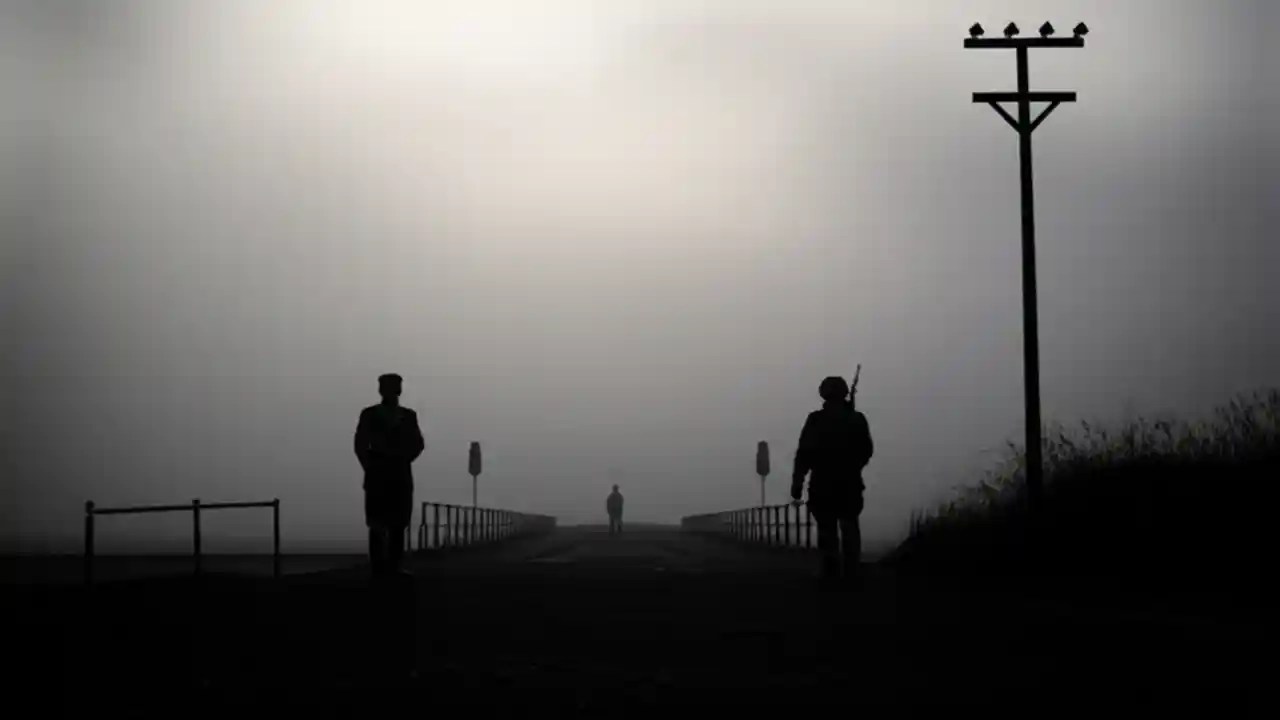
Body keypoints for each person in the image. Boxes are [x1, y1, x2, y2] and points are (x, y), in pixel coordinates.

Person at [791, 375, 873, 583]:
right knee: (849, 528)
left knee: (827, 530)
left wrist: (798, 482)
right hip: (849, 483)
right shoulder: (856, 418)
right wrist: (853, 467)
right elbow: (866, 451)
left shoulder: (816, 419)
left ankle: (830, 573)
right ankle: (851, 572)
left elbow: (804, 454)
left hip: (823, 483)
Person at [354, 373, 425, 578]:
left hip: (397, 474)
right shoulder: (370, 414)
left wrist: (402, 459)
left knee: (398, 522)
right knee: (377, 522)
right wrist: (371, 465)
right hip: (380, 474)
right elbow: (360, 444)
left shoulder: (408, 416)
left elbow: (418, 444)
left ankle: (392, 566)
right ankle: (380, 567)